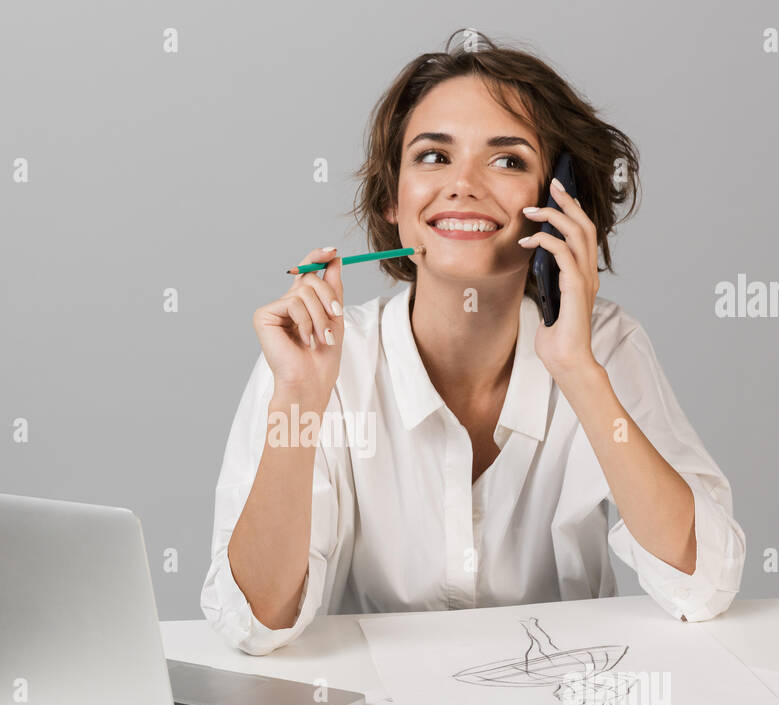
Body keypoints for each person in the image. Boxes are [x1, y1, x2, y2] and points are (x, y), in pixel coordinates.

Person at [201, 30, 746, 655]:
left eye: (508, 160)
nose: (462, 184)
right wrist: (298, 396)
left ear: (557, 201)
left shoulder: (604, 347)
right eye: (433, 156)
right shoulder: (318, 356)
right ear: (391, 199)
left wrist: (576, 370)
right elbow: (255, 621)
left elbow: (705, 586)